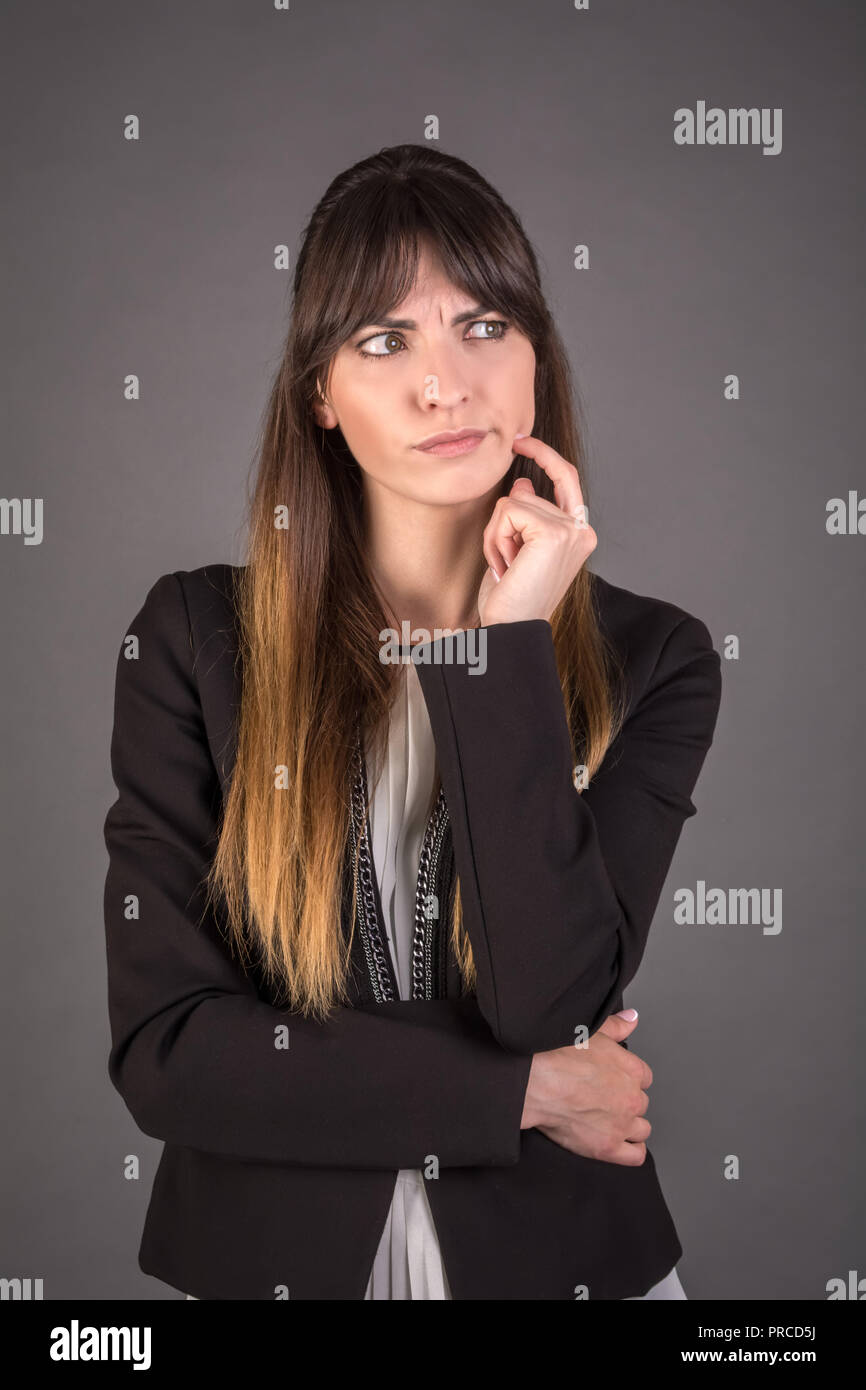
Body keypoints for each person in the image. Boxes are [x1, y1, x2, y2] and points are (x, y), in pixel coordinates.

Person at [103, 143, 722, 1300]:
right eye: (384, 340)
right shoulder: (194, 640)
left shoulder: (657, 658)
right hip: (267, 1266)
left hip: (563, 1267)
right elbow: (172, 1054)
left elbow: (549, 997)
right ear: (319, 397)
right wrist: (522, 1091)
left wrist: (505, 655)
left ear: (536, 356)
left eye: (485, 325)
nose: (447, 383)